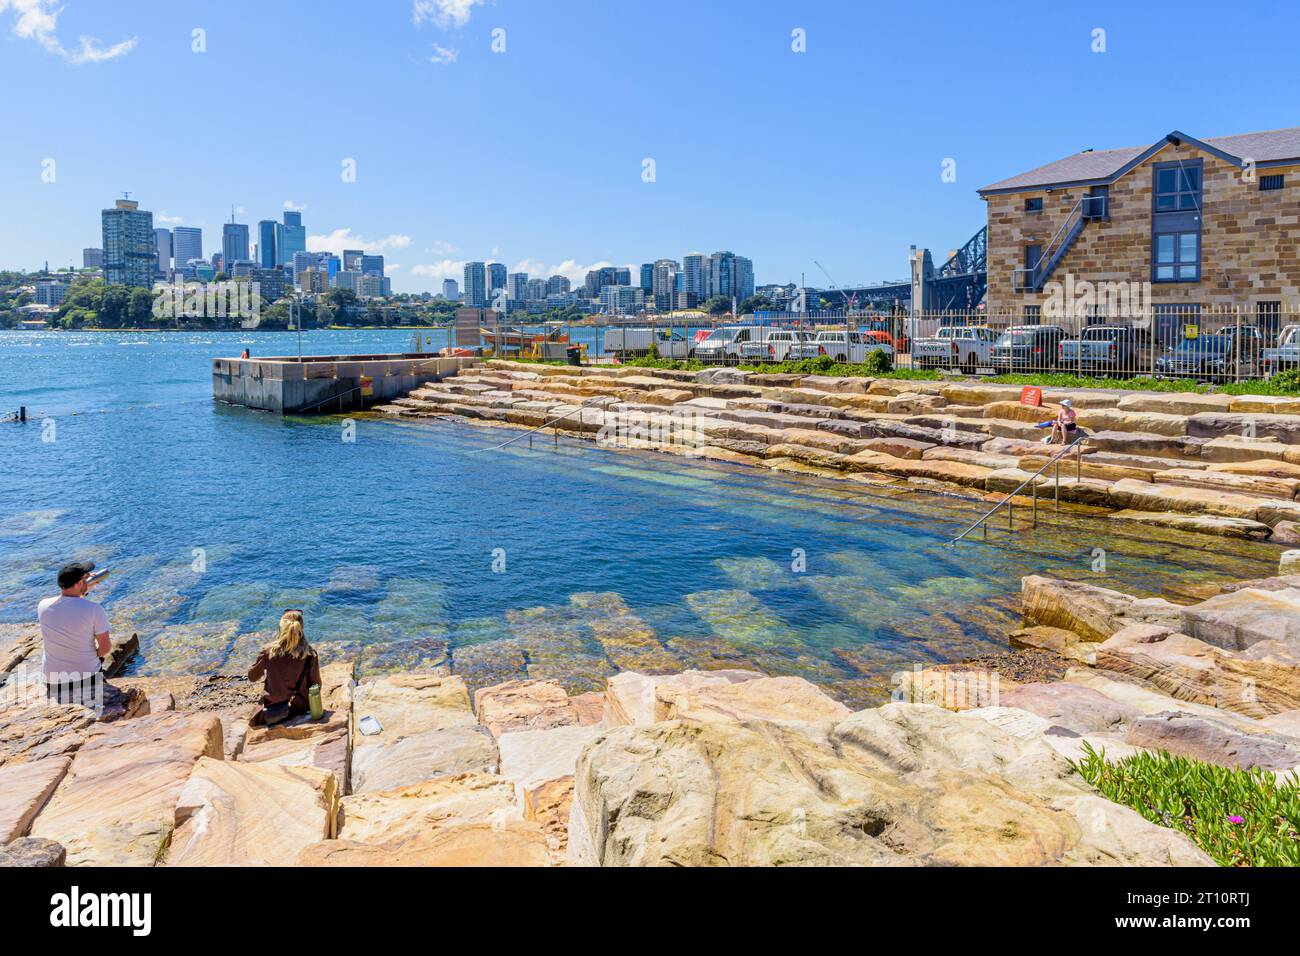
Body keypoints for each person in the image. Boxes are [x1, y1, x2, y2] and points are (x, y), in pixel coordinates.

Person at [37, 561, 110, 706]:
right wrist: (88, 657)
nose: (89, 579)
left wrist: (83, 590)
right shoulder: (94, 609)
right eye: (86, 578)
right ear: (78, 584)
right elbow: (105, 649)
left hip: (53, 681)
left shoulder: (43, 605)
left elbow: (70, 608)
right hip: (86, 678)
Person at [247, 610, 322, 726]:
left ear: (281, 628)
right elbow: (316, 685)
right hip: (299, 708)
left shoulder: (268, 652)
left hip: (272, 710)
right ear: (301, 629)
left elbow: (252, 677)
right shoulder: (309, 654)